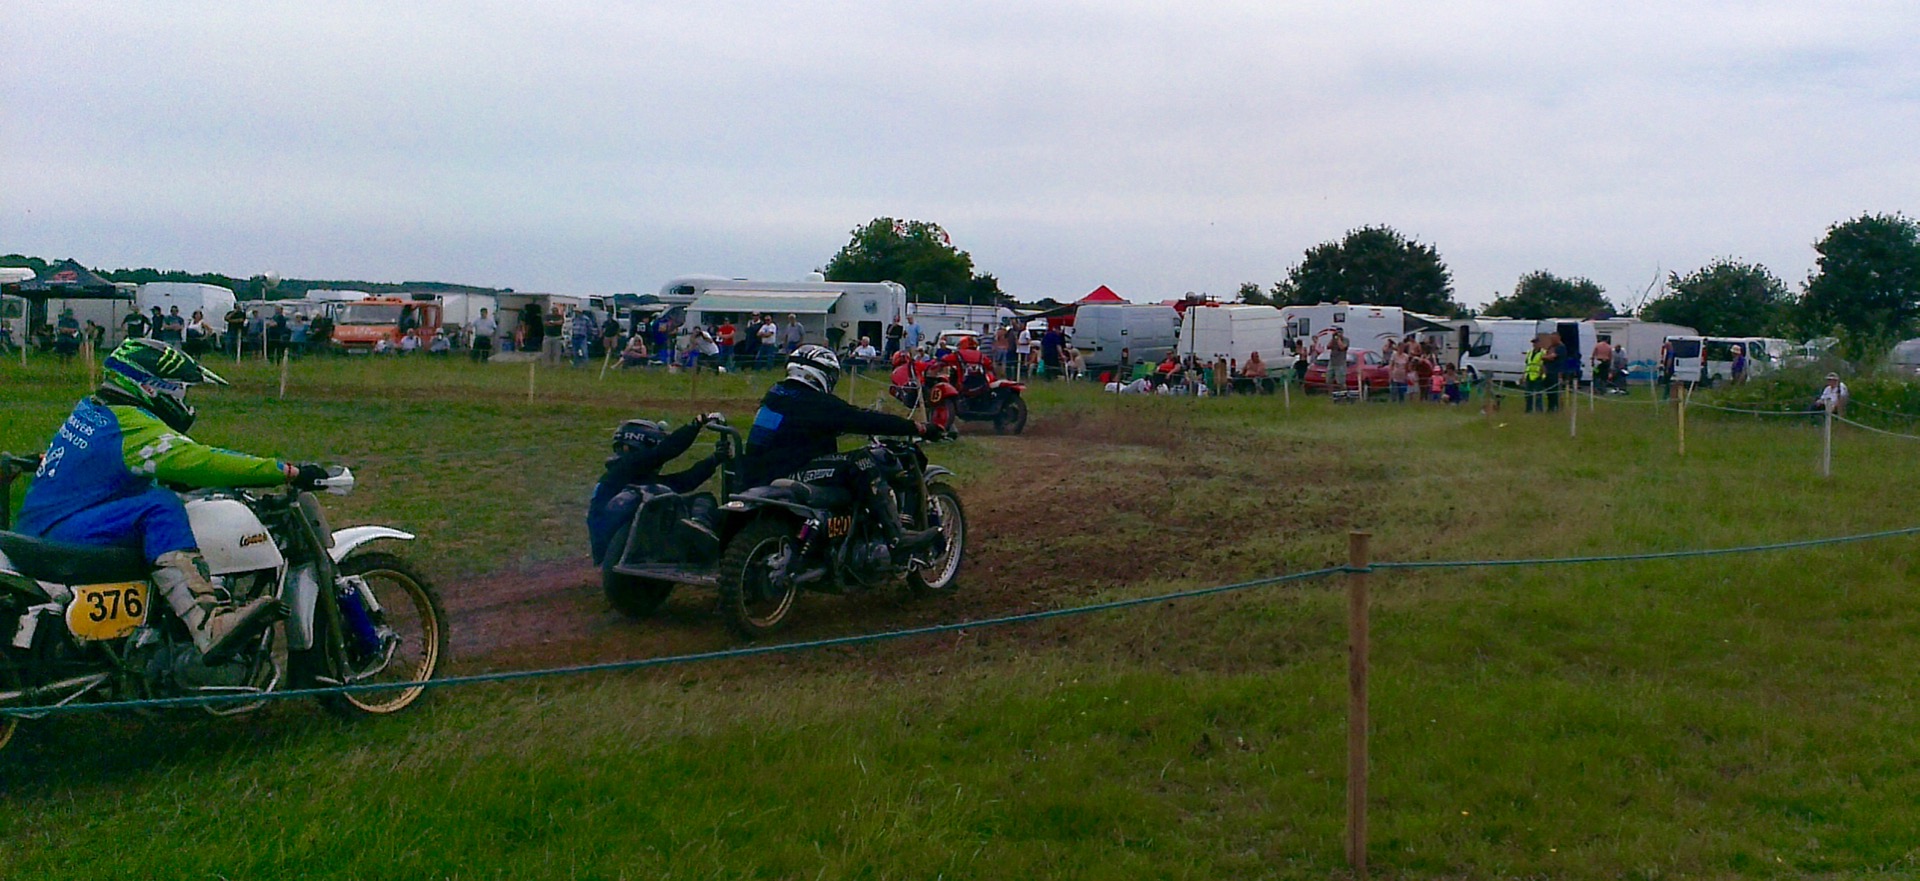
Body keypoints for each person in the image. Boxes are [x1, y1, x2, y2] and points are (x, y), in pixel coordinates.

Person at [15, 339, 326, 661]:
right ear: (150, 387)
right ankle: (208, 623)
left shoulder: (94, 411)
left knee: (154, 498)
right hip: (62, 533)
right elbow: (203, 460)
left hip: (41, 528)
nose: (183, 400)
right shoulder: (131, 426)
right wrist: (286, 471)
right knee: (160, 505)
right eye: (179, 390)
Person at [737, 345, 944, 562]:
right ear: (822, 374)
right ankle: (896, 538)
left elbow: (798, 428)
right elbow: (862, 419)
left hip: (761, 470)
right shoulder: (815, 402)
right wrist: (917, 427)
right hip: (792, 471)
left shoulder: (776, 394)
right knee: (862, 461)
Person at [588, 415, 732, 564]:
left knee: (698, 498)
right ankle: (697, 533)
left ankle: (696, 531)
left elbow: (683, 482)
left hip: (607, 552)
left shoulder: (621, 476)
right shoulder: (629, 467)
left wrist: (714, 459)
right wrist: (695, 424)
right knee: (702, 500)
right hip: (615, 548)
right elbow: (666, 451)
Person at [1523, 337, 1547, 413]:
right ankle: (1528, 410)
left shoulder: (1543, 352)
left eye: (1536, 343)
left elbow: (1544, 364)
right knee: (1528, 394)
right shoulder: (1529, 353)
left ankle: (1539, 410)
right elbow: (1527, 364)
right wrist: (1523, 375)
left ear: (1539, 343)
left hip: (1538, 376)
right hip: (1529, 375)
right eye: (1533, 343)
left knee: (1538, 395)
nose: (1534, 344)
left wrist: (1543, 374)